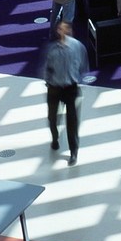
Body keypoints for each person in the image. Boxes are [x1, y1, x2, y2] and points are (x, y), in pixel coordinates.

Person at [41, 21, 88, 163]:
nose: (63, 31)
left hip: (70, 88)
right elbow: (47, 67)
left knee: (72, 122)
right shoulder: (52, 49)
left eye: (65, 28)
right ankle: (55, 139)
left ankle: (74, 152)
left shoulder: (77, 47)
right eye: (60, 28)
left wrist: (76, 79)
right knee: (52, 118)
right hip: (54, 88)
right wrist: (48, 81)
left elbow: (83, 66)